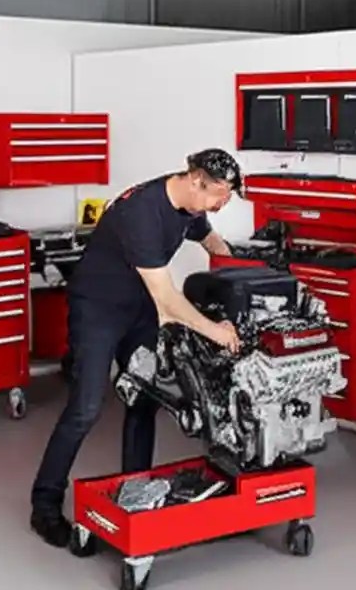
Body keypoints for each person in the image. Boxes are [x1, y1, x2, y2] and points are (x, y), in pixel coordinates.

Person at [29, 148, 243, 547]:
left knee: (143, 400)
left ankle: (135, 493)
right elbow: (167, 299)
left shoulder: (189, 204)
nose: (221, 203)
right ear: (197, 180)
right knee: (86, 408)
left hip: (138, 309)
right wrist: (217, 331)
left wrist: (238, 267)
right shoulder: (142, 213)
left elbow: (208, 236)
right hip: (99, 309)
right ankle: (44, 504)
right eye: (220, 195)